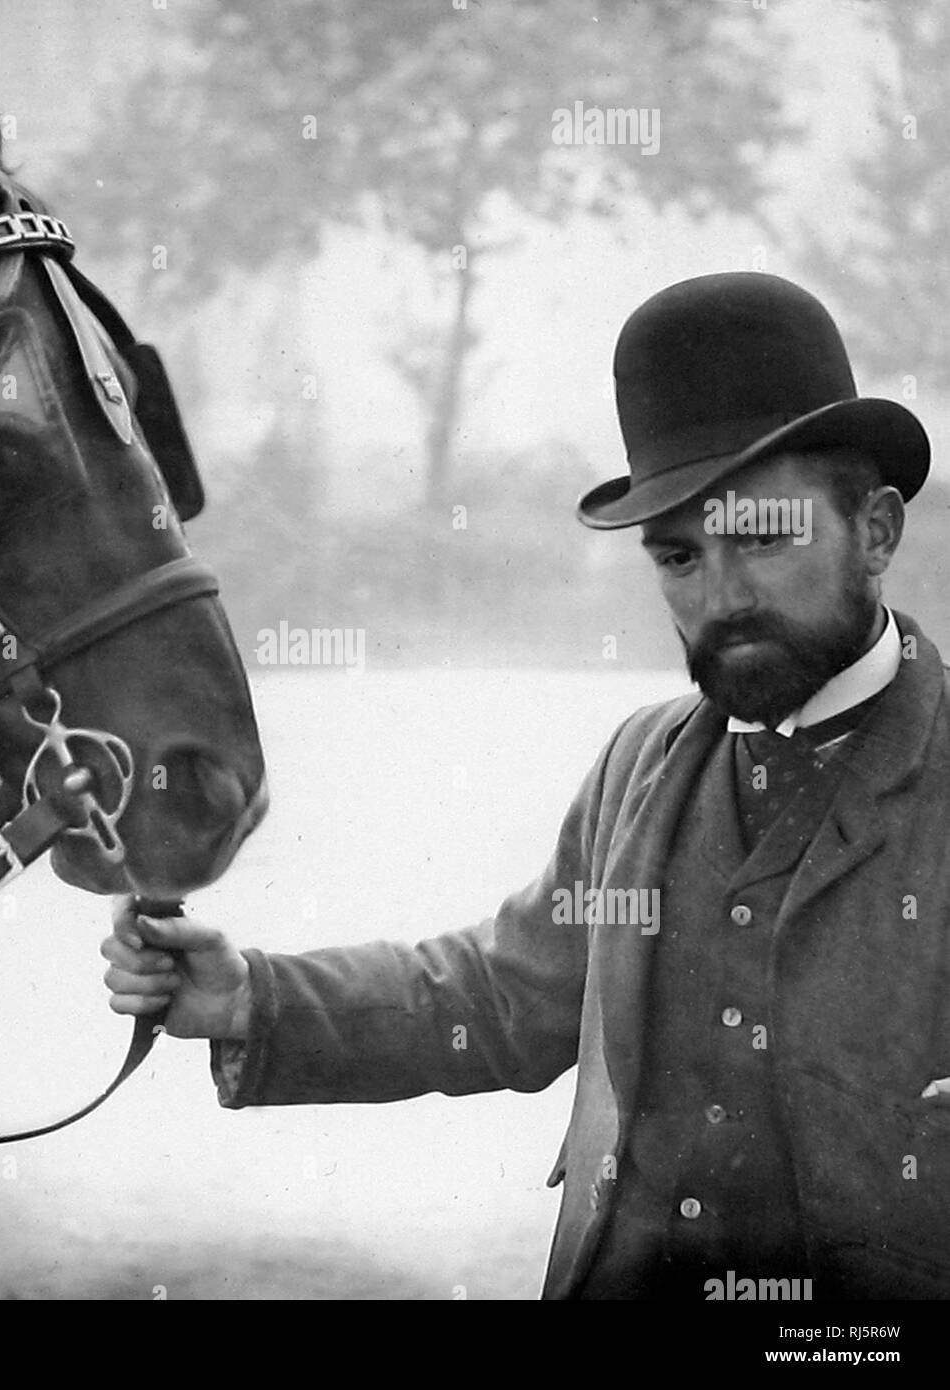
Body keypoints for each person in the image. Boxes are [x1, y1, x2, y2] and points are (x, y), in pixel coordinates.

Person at [100, 272, 950, 1299]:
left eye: (763, 538)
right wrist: (254, 998)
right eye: (677, 556)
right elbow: (501, 994)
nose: (718, 597)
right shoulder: (641, 767)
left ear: (874, 532)